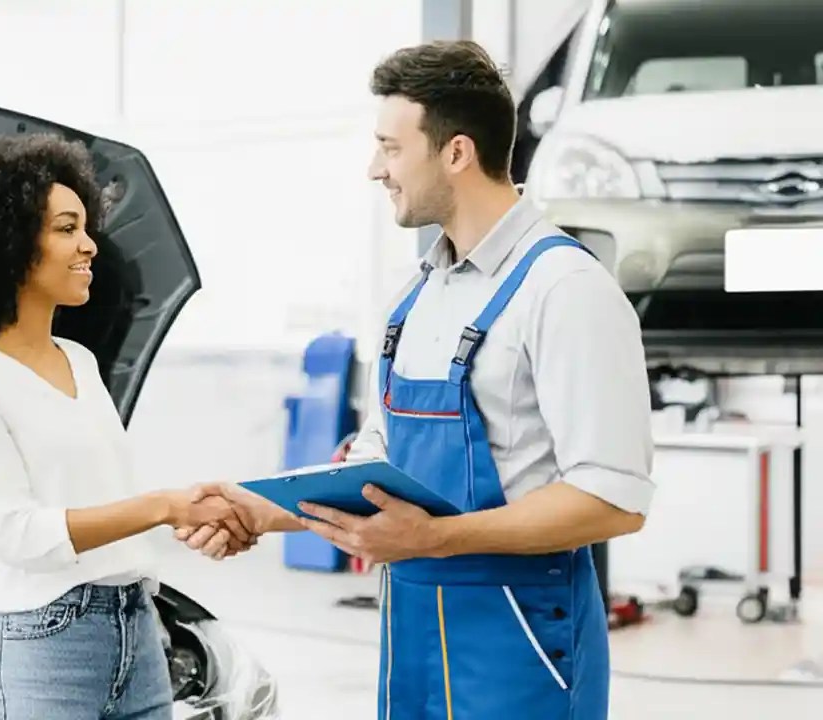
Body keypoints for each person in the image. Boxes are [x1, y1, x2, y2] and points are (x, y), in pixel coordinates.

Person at [182, 40, 654, 719]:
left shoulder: (566, 289)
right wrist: (259, 509)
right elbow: (378, 470)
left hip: (522, 643)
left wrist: (436, 540)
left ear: (456, 153)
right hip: (412, 634)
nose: (376, 169)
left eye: (390, 148)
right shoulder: (416, 298)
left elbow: (613, 499)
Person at [0, 133, 255, 719]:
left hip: (138, 630)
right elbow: (13, 535)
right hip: (43, 646)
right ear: (7, 241)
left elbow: (103, 507)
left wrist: (196, 515)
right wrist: (164, 507)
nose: (90, 244)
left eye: (86, 226)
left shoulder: (80, 360)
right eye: (67, 228)